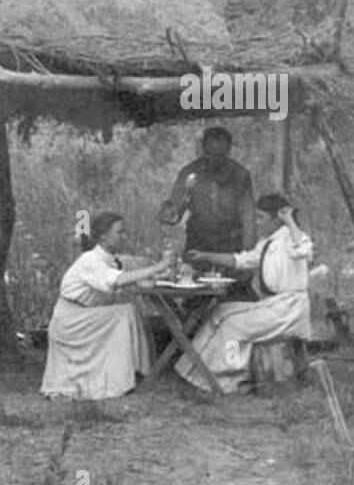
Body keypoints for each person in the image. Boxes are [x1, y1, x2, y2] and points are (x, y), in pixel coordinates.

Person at [176, 194, 313, 394]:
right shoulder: (268, 241)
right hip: (274, 305)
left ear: (277, 219)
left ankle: (231, 376)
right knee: (220, 311)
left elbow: (303, 250)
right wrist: (206, 255)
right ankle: (196, 370)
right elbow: (243, 260)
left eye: (261, 218)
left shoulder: (292, 238)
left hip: (288, 309)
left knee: (232, 325)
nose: (257, 223)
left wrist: (290, 219)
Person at [40, 212, 174, 400]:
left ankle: (139, 371)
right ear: (104, 236)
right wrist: (157, 267)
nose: (124, 236)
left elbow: (121, 277)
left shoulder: (109, 259)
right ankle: (126, 377)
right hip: (70, 322)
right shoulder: (90, 260)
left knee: (129, 311)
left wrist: (154, 276)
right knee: (125, 312)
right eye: (120, 232)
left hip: (86, 316)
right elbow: (115, 280)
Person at [158, 126, 256, 262]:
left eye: (220, 156)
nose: (214, 161)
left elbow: (249, 217)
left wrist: (248, 254)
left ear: (228, 150)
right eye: (210, 155)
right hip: (199, 242)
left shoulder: (240, 175)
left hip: (230, 244)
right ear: (204, 150)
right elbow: (174, 212)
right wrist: (168, 213)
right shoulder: (190, 173)